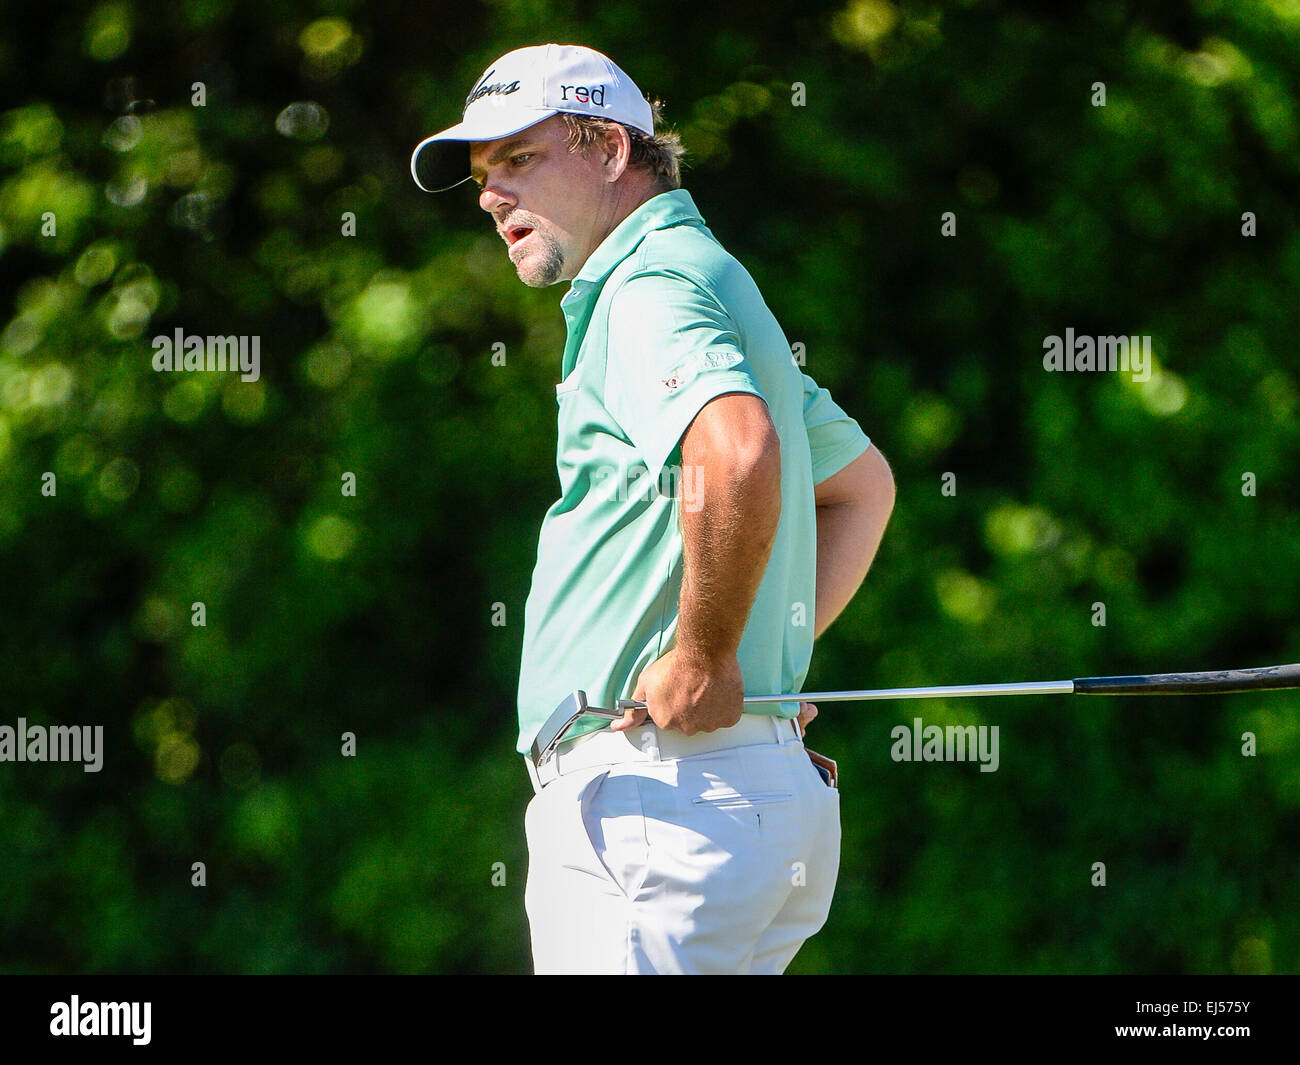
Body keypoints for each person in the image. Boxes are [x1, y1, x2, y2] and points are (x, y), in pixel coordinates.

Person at [412, 43, 895, 974]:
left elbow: (738, 449)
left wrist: (711, 657)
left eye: (518, 159)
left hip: (664, 799)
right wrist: (759, 665)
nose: (490, 196)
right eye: (481, 176)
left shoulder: (646, 287)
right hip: (735, 797)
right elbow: (860, 487)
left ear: (607, 149)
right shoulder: (708, 276)